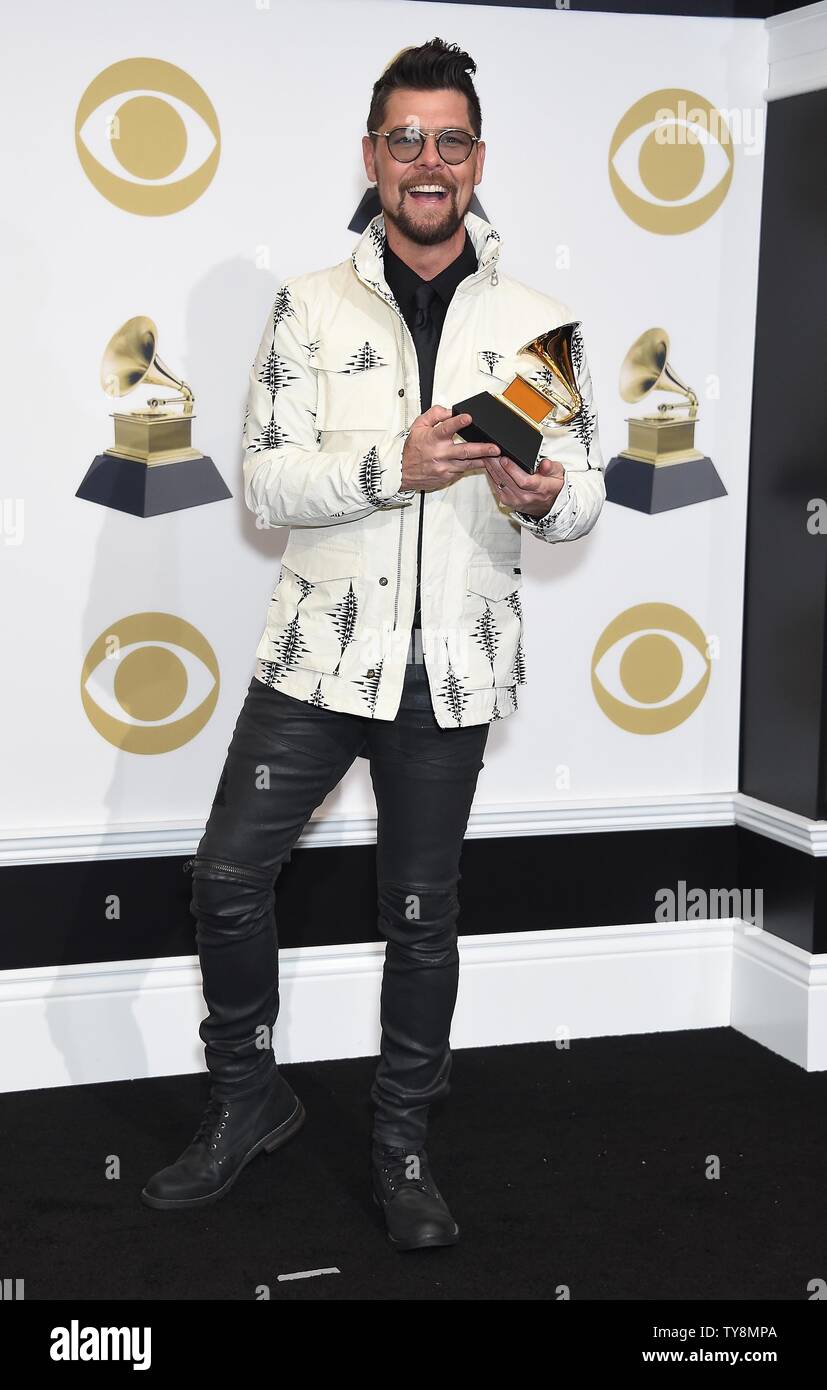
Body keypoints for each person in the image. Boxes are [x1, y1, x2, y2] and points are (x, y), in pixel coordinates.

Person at [141, 36, 605, 1251]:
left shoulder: (539, 323)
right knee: (228, 877)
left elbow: (585, 496)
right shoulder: (306, 304)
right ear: (371, 154)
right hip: (312, 660)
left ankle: (400, 1140)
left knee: (419, 913)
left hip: (450, 667)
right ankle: (249, 1100)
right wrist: (385, 465)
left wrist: (537, 494)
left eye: (448, 139)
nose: (426, 161)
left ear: (477, 157)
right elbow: (260, 484)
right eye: (403, 138)